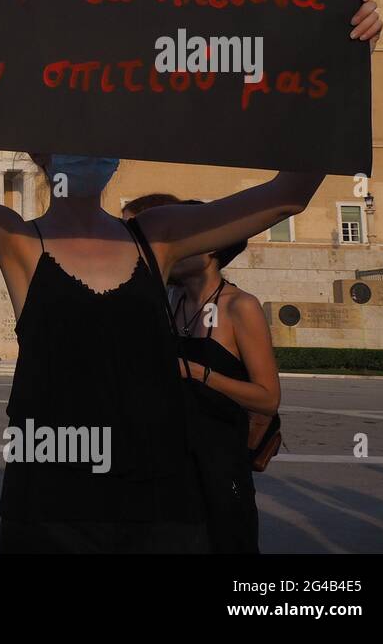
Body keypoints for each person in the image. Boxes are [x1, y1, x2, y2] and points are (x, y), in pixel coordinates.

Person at [0, 0, 382, 553]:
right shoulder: (20, 244)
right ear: (38, 153)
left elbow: (287, 196)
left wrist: (344, 68)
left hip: (159, 502)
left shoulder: (157, 237)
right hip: (50, 504)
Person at [124, 195, 279, 553]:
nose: (170, 249)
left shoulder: (240, 306)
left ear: (210, 247)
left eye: (180, 239)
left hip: (220, 468)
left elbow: (268, 398)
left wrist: (197, 372)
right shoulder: (169, 300)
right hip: (170, 466)